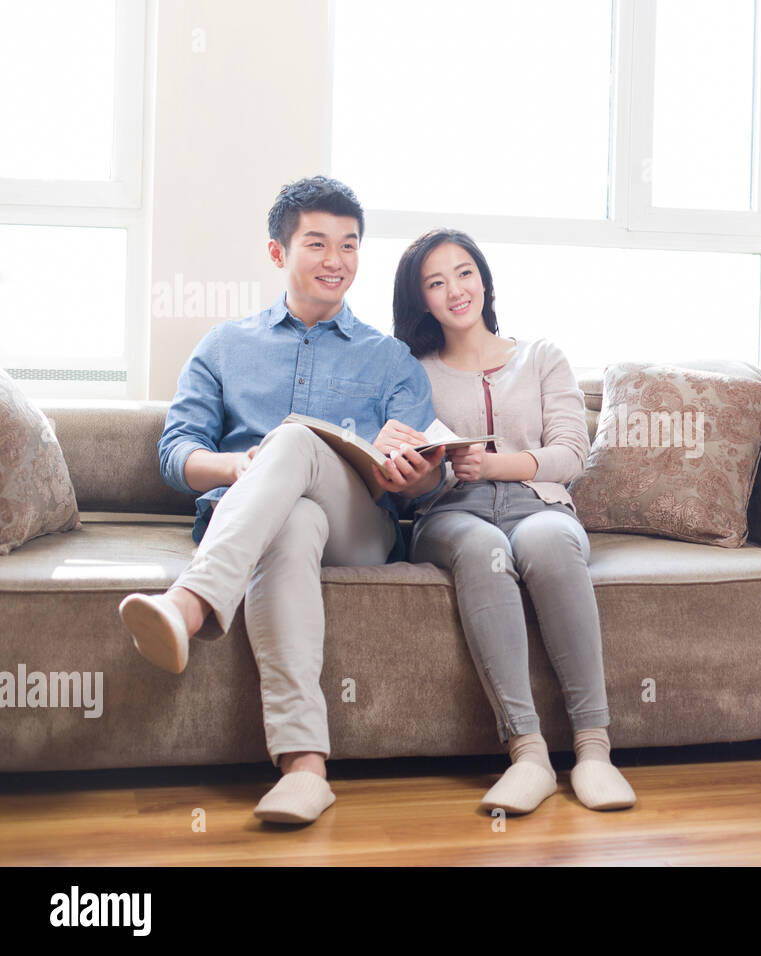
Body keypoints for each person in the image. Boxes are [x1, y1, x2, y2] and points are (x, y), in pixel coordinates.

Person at [117, 176, 447, 825]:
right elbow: (175, 453)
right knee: (292, 515)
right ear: (278, 254)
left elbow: (426, 478)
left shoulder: (392, 359)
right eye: (317, 243)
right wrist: (241, 466)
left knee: (293, 440)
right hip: (263, 519)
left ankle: (188, 605)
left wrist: (413, 473)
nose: (336, 260)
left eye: (349, 245)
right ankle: (305, 768)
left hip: (361, 528)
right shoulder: (223, 346)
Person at [391, 228, 636, 815]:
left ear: (484, 279)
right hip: (452, 513)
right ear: (420, 299)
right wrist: (435, 471)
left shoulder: (542, 356)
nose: (455, 289)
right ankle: (529, 755)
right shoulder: (411, 371)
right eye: (436, 281)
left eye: (464, 272)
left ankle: (594, 749)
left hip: (540, 504)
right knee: (481, 550)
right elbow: (409, 486)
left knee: (550, 543)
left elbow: (573, 453)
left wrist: (497, 463)